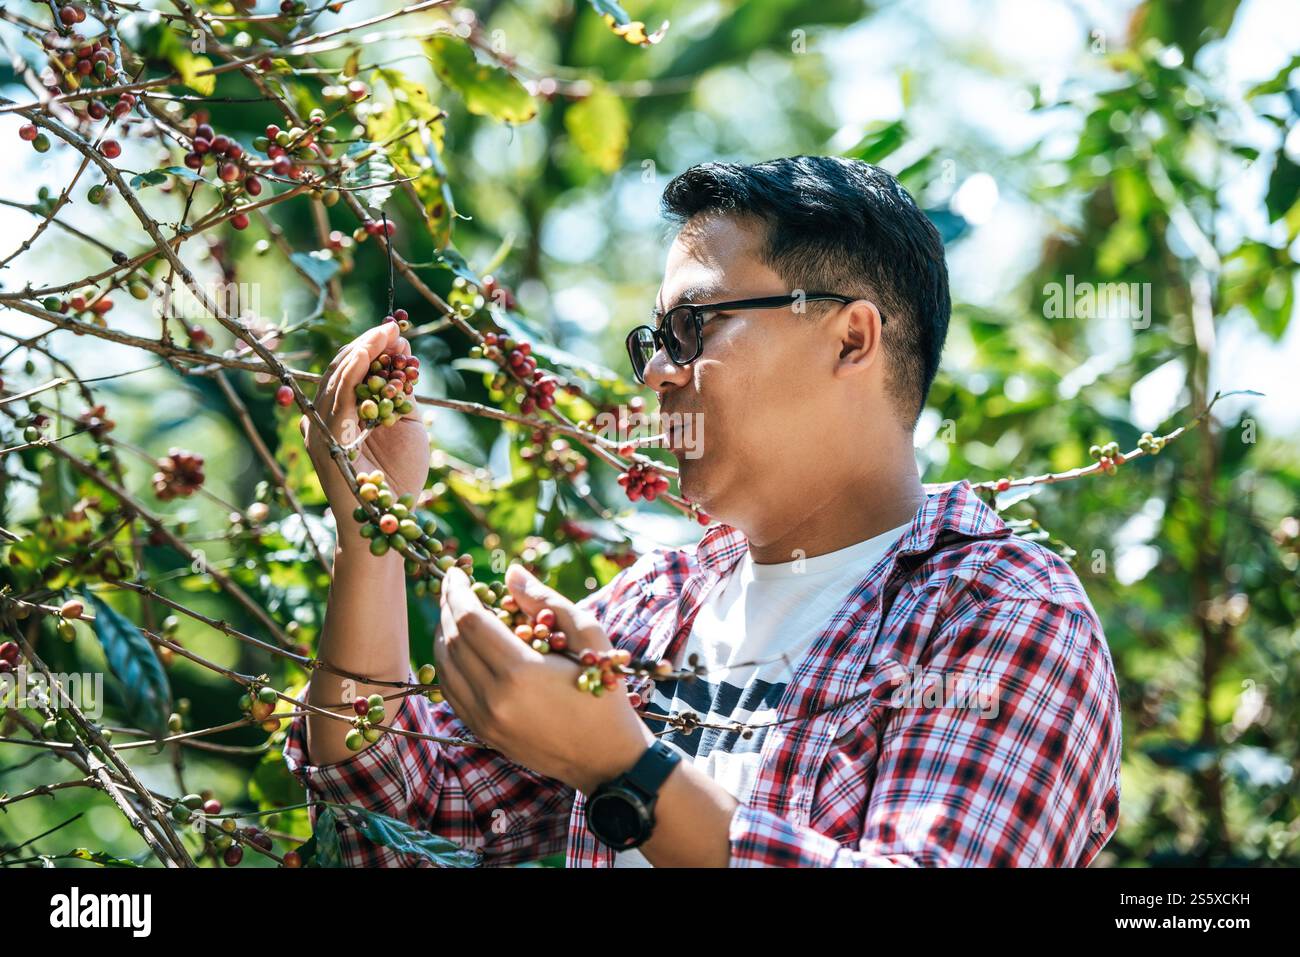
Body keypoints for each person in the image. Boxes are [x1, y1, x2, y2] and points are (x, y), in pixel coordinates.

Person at [282, 155, 1122, 867]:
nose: (657, 374)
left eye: (695, 325)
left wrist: (625, 770)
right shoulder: (656, 605)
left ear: (850, 339)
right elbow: (389, 827)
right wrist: (372, 526)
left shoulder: (1001, 613)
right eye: (657, 339)